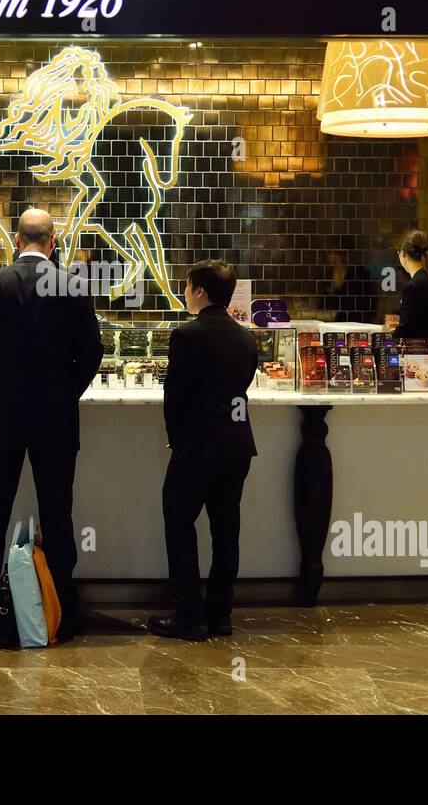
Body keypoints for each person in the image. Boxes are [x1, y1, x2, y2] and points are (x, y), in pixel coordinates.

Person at [0, 208, 103, 641]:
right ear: (52, 243)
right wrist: (62, 392)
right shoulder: (74, 286)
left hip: (1, 417)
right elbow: (93, 353)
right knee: (58, 515)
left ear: (16, 241)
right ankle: (60, 618)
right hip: (55, 419)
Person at [148, 260, 259, 642]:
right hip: (237, 446)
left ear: (199, 291)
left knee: (180, 526)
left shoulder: (186, 334)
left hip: (196, 447)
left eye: (186, 286)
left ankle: (188, 615)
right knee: (226, 530)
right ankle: (220, 616)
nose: (184, 292)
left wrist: (175, 439)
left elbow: (174, 395)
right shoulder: (247, 338)